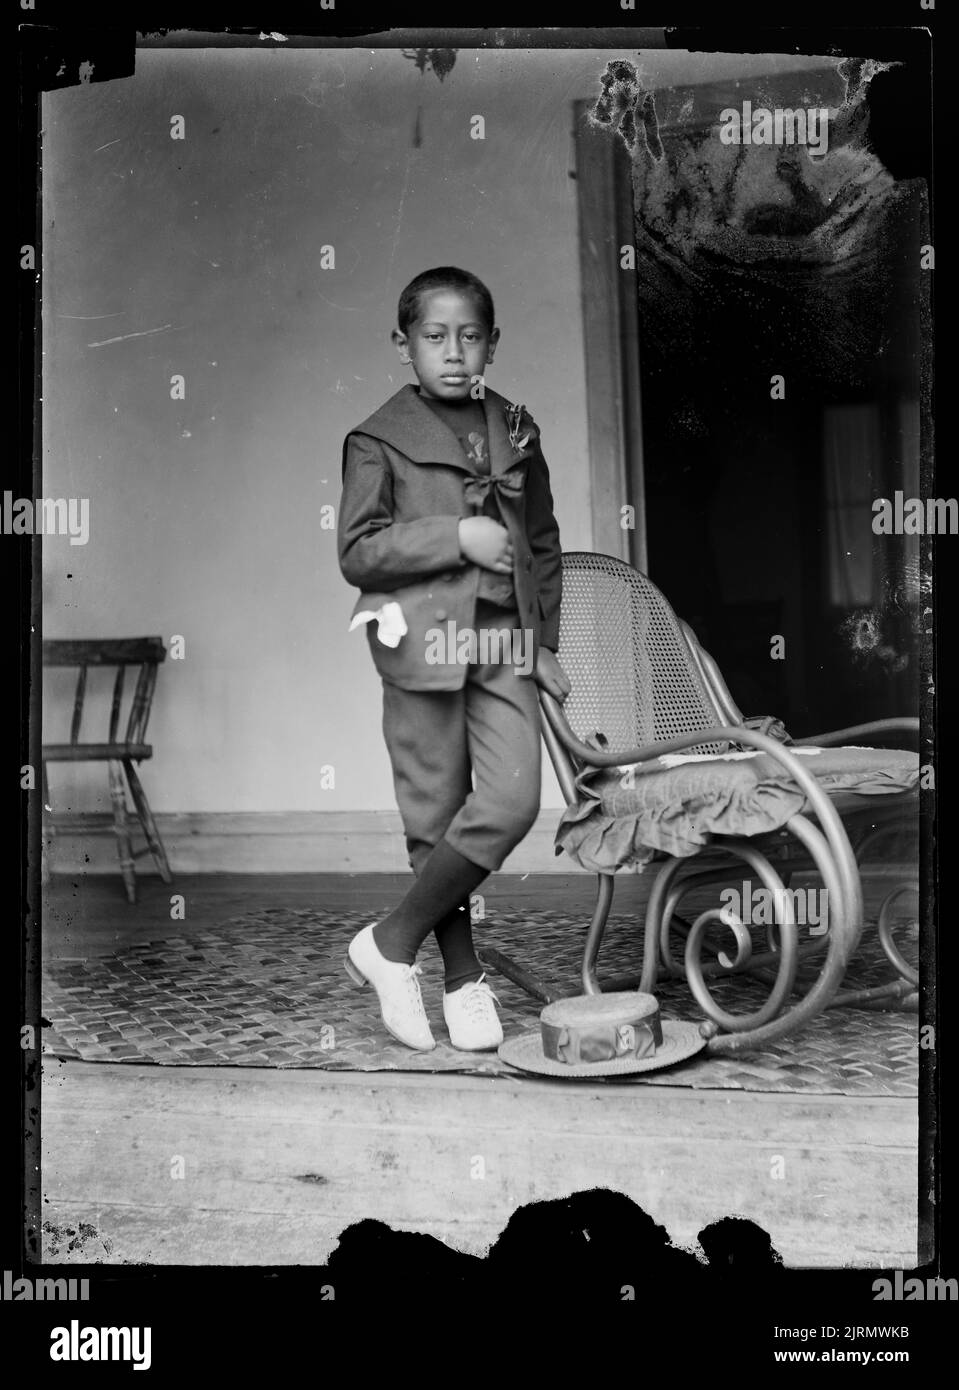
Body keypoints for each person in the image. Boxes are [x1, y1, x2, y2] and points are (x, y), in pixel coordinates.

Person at [337, 266, 570, 1052]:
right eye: (433, 337)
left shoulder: (516, 426)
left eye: (470, 336)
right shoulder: (376, 439)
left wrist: (543, 642)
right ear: (403, 345)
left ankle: (390, 943)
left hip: (502, 642)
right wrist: (454, 537)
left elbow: (542, 542)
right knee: (433, 815)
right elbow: (359, 552)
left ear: (492, 344)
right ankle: (464, 976)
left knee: (508, 802)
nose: (453, 352)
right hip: (421, 646)